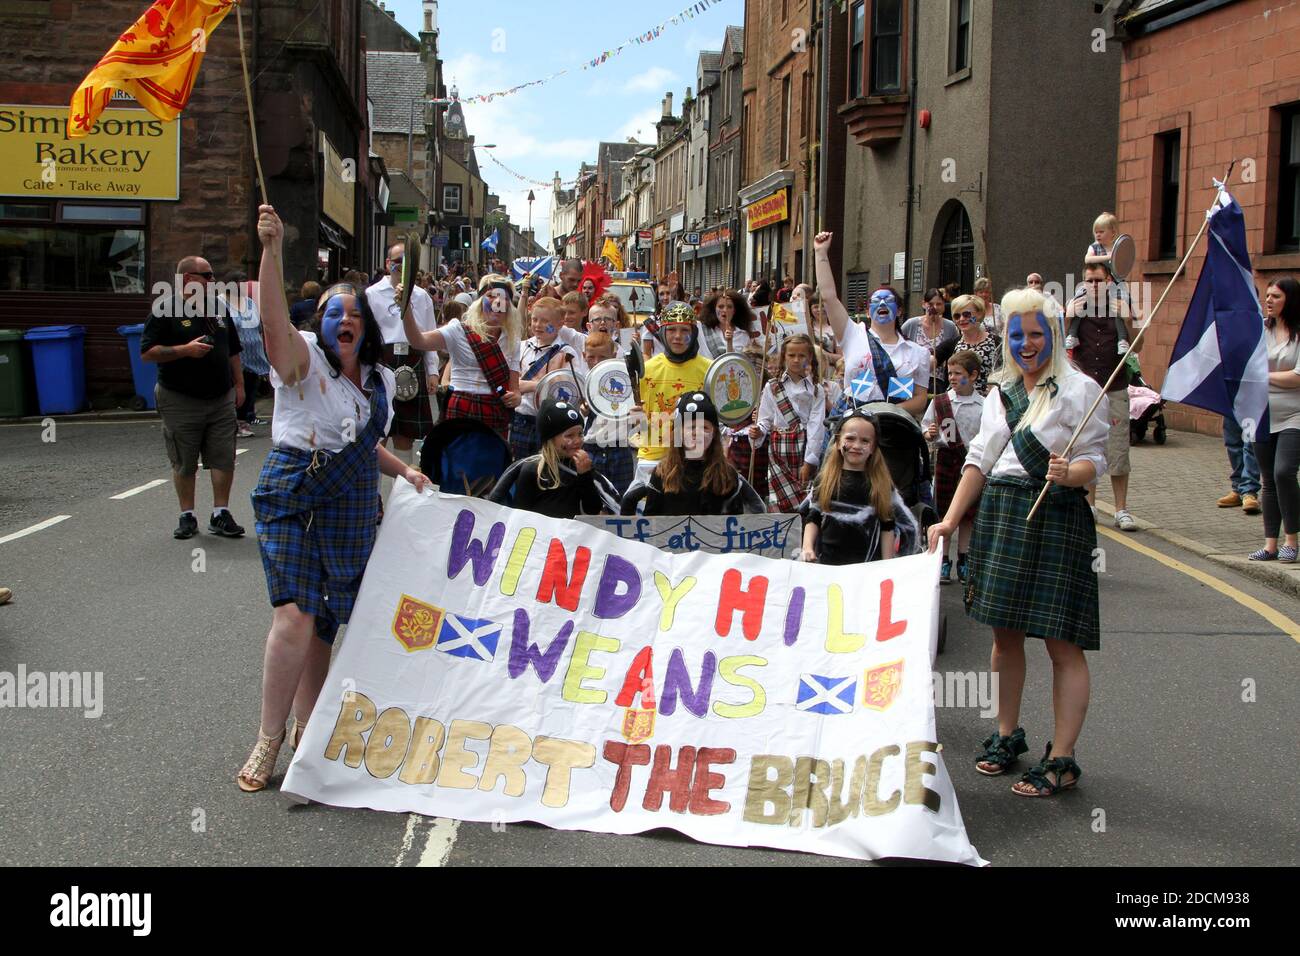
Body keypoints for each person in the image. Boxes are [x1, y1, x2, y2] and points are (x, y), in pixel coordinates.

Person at [237, 205, 430, 793]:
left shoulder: (376, 386)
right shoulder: (301, 361)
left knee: (322, 623)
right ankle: (268, 738)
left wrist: (406, 473)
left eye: (354, 315)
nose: (344, 320)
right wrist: (270, 252)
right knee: (294, 615)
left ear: (365, 329)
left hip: (350, 501)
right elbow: (271, 325)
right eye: (333, 313)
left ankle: (307, 730)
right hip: (295, 492)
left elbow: (366, 446)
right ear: (319, 323)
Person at [927, 288, 1109, 798]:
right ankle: (1007, 734)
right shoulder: (998, 392)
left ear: (1052, 333)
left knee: (1061, 643)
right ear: (1005, 339)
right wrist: (948, 521)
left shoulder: (1082, 389)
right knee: (1004, 636)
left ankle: (1063, 757)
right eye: (1017, 335)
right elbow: (979, 460)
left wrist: (1070, 472)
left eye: (1036, 334)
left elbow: (1097, 461)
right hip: (1004, 512)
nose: (1026, 344)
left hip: (1056, 513)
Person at [140, 254, 246, 540]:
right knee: (185, 460)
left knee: (224, 456)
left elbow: (233, 350)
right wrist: (183, 350)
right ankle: (187, 515)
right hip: (180, 398)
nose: (213, 280)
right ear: (188, 279)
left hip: (221, 396)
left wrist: (239, 385)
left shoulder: (219, 308)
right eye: (208, 275)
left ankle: (220, 513)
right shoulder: (165, 309)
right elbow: (147, 352)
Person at [813, 232, 929, 420]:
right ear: (868, 312)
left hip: (893, 425)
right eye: (876, 301)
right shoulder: (852, 334)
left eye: (888, 300)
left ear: (899, 311)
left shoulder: (917, 353)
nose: (882, 304)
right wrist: (820, 253)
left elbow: (920, 400)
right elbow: (828, 297)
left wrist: (882, 413)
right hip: (854, 421)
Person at [398, 274, 523, 442]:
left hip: (495, 411)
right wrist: (406, 309)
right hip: (461, 407)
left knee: (491, 467)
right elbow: (418, 341)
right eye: (491, 296)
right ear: (479, 302)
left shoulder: (512, 339)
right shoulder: (458, 330)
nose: (497, 302)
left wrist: (516, 397)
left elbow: (514, 388)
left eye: (504, 298)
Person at [1067, 261, 1141, 531]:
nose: (1093, 285)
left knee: (1118, 449)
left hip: (1115, 388)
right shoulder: (1076, 306)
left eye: (1098, 280)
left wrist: (1130, 320)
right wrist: (1065, 316)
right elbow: (1062, 342)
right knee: (1087, 447)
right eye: (1089, 280)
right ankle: (1090, 505)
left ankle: (1121, 509)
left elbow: (1138, 345)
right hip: (1085, 391)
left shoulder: (1121, 305)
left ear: (1109, 281)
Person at [800, 411, 917, 563]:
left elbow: (887, 525)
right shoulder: (825, 480)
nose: (857, 445)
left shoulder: (880, 483)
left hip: (867, 568)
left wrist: (887, 563)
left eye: (865, 441)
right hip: (829, 567)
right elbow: (813, 517)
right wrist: (807, 547)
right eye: (850, 438)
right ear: (837, 442)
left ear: (873, 448)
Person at [624, 392, 764, 515]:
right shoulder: (662, 473)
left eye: (705, 427)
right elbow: (650, 526)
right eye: (691, 427)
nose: (697, 433)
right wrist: (628, 504)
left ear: (714, 433)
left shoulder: (727, 476)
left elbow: (741, 524)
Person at [365, 242, 440, 462]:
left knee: (405, 434)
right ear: (388, 264)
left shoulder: (421, 296)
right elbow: (366, 335)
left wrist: (432, 370)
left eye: (409, 263)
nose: (403, 267)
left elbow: (429, 333)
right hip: (381, 361)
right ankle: (373, 491)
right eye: (398, 262)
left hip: (413, 358)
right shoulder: (372, 294)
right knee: (378, 431)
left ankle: (402, 492)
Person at [489, 399, 618, 518]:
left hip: (569, 536)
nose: (577, 440)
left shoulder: (580, 466)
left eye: (580, 434)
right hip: (540, 537)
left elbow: (592, 510)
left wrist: (585, 475)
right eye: (569, 436)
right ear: (550, 439)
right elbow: (520, 513)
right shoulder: (532, 469)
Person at [921, 350, 984, 583]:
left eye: (958, 373)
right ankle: (943, 561)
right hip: (947, 461)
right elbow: (926, 427)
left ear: (974, 375)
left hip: (971, 465)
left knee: (967, 516)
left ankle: (964, 559)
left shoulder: (984, 405)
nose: (953, 378)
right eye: (950, 373)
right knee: (945, 512)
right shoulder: (941, 402)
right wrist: (930, 433)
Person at [633, 303, 713, 487]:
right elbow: (636, 415)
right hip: (653, 456)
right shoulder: (646, 370)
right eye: (672, 330)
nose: (678, 336)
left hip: (695, 456)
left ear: (693, 333)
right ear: (662, 333)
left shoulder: (709, 370)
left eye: (684, 330)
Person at [1250, 277, 1300, 562]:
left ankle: (1291, 540)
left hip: (1295, 414)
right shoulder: (1260, 330)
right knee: (1267, 479)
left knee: (1284, 472)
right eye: (1267, 295)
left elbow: (1297, 378)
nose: (1268, 300)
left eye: (1276, 296)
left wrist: (1265, 378)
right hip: (1262, 413)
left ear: (1290, 300)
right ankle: (1271, 544)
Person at [751, 334, 826, 512]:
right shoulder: (772, 387)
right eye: (791, 355)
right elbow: (765, 419)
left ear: (809, 358)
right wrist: (759, 432)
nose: (796, 360)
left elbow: (817, 427)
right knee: (777, 501)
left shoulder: (816, 390)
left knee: (804, 499)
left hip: (803, 448)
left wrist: (810, 461)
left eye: (801, 356)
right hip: (777, 450)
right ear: (784, 356)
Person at [513, 296, 581, 461]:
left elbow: (568, 389)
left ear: (559, 324)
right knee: (520, 468)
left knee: (547, 468)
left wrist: (530, 385)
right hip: (520, 419)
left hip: (550, 424)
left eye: (545, 321)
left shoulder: (567, 354)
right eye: (534, 319)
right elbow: (512, 382)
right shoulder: (521, 347)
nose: (537, 325)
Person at [580, 331, 636, 495]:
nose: (596, 362)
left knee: (621, 501)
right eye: (591, 357)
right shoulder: (582, 379)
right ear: (584, 355)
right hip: (591, 448)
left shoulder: (624, 378)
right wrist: (583, 411)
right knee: (591, 498)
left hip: (619, 447)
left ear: (613, 355)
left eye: (603, 357)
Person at [226, 270, 269, 436]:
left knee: (249, 391)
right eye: (240, 282)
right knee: (236, 389)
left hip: (254, 356)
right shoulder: (221, 303)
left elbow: (260, 326)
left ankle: (243, 422)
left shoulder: (250, 303)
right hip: (236, 355)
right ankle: (234, 424)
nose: (243, 286)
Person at [901, 288, 959, 397]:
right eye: (931, 304)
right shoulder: (911, 324)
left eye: (939, 304)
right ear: (924, 304)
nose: (935, 307)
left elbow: (955, 353)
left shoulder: (950, 327)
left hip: (937, 381)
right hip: (913, 379)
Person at [950, 293, 1001, 394]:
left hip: (985, 402)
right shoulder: (953, 343)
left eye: (966, 314)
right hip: (957, 401)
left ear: (979, 314)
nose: (961, 319)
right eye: (957, 316)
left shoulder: (996, 342)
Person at [697, 290, 756, 359]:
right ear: (714, 309)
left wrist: (729, 343)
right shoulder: (702, 329)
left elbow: (741, 364)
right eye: (720, 306)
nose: (725, 310)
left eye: (729, 307)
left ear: (734, 311)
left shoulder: (743, 335)